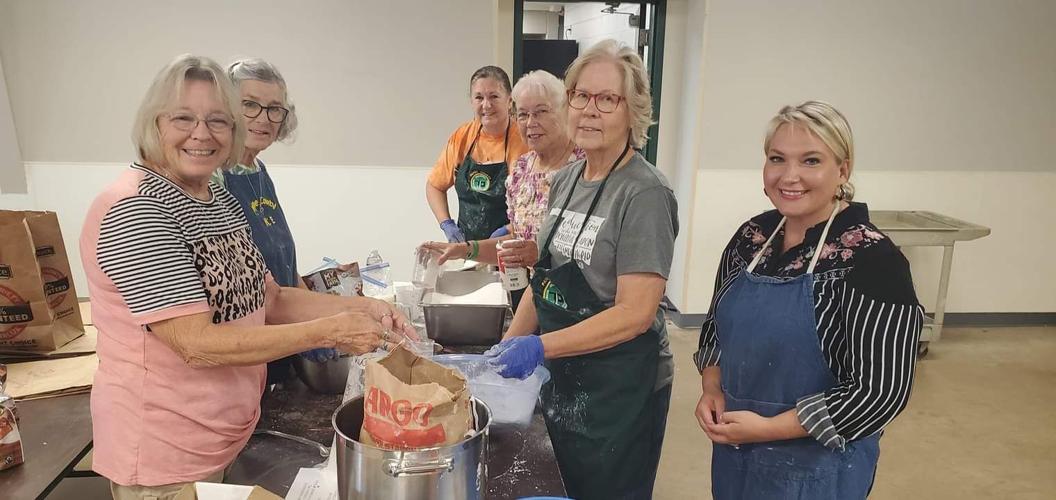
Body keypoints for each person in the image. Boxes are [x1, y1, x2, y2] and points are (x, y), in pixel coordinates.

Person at [79, 54, 415, 499]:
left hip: (225, 436)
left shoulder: (215, 196)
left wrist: (363, 306)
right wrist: (331, 330)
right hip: (167, 456)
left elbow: (270, 300)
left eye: (218, 120)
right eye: (184, 118)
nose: (202, 134)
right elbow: (195, 343)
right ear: (153, 124)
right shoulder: (137, 209)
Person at [694, 101, 924, 499]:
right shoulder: (752, 239)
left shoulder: (873, 260)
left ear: (843, 170)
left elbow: (880, 392)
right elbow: (716, 327)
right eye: (777, 158)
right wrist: (712, 387)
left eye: (811, 160)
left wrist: (768, 429)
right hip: (735, 452)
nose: (790, 176)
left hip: (817, 470)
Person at [484, 40, 678, 499]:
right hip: (569, 372)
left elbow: (634, 314)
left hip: (621, 388)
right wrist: (509, 343)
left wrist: (539, 347)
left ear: (633, 111)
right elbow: (547, 277)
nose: (590, 110)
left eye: (607, 99)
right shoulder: (568, 179)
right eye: (580, 96)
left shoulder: (644, 193)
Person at [421, 69, 584, 310]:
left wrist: (529, 249)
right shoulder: (522, 169)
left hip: (570, 299)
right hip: (520, 285)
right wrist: (460, 248)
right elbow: (520, 236)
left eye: (540, 112)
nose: (530, 123)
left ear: (563, 111)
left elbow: (575, 251)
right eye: (524, 114)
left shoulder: (582, 168)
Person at [219, 57, 331, 379]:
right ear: (225, 109)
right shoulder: (215, 179)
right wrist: (321, 326)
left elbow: (283, 262)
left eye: (274, 109)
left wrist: (315, 316)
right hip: (248, 352)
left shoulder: (258, 171)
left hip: (280, 340)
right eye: (250, 105)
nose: (264, 118)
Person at [425, 65, 528, 243]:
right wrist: (447, 224)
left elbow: (534, 205)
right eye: (479, 97)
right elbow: (434, 186)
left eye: (494, 96)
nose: (486, 105)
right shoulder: (462, 136)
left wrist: (510, 229)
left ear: (509, 100)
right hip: (467, 249)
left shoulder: (524, 141)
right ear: (471, 101)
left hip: (510, 248)